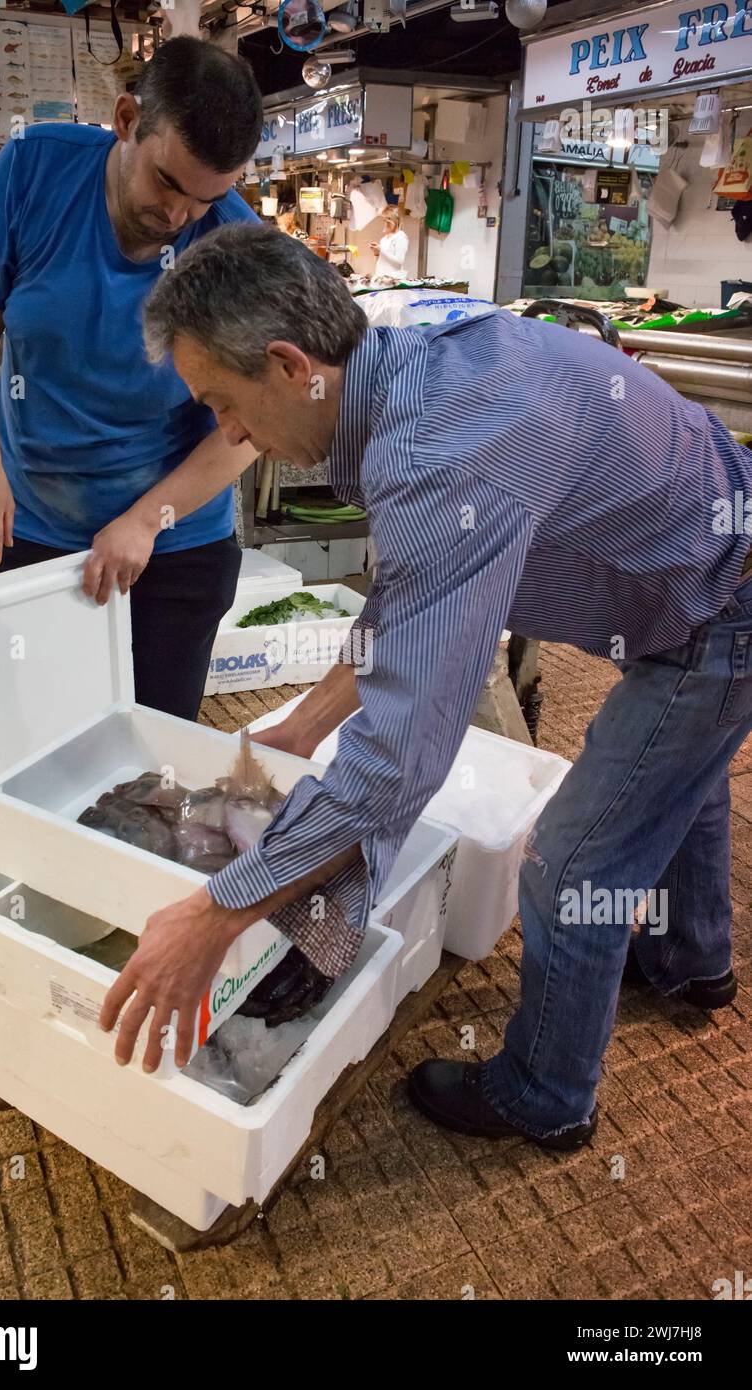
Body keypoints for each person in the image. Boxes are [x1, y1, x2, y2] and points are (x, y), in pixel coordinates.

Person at [100, 224, 752, 1155]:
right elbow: (414, 600)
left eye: (222, 403)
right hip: (694, 561)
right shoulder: (392, 359)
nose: (229, 435)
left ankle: (545, 1095)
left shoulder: (438, 455)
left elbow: (402, 755)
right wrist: (303, 727)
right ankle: (692, 964)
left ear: (288, 364)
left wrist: (218, 912)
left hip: (719, 604)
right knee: (673, 776)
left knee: (571, 863)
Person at [0, 38, 263, 720]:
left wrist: (148, 519)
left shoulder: (234, 242)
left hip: (174, 545)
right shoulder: (33, 170)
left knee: (148, 765)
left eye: (207, 198)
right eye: (168, 183)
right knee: (29, 739)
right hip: (31, 524)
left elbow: (253, 426)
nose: (179, 217)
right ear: (125, 120)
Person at [369, 206, 409, 284]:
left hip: (393, 280)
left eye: (389, 219)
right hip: (381, 279)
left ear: (396, 220)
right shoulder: (384, 239)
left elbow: (399, 261)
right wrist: (376, 253)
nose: (386, 222)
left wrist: (381, 250)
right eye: (384, 219)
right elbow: (381, 261)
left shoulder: (401, 237)